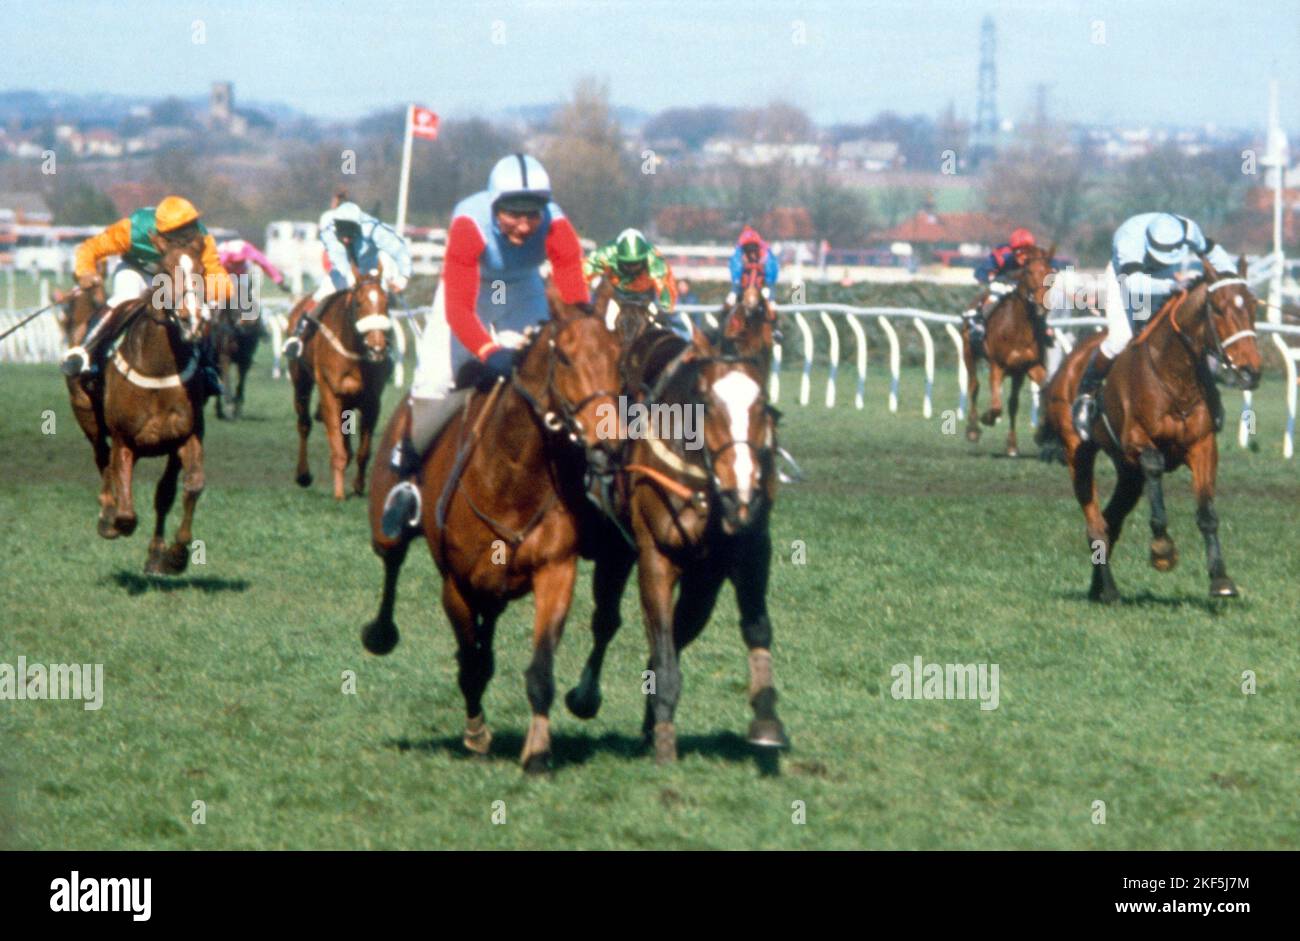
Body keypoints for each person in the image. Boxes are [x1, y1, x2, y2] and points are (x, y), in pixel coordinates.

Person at [379, 153, 593, 537]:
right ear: (494, 206)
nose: (525, 226)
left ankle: (577, 482)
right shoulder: (468, 224)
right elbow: (460, 309)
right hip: (471, 291)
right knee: (439, 382)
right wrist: (488, 352)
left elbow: (575, 296)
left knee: (549, 379)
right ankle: (408, 474)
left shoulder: (558, 226)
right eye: (513, 214)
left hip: (524, 288)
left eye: (533, 214)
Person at [1071, 212, 1237, 440]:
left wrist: (1232, 281)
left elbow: (1214, 253)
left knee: (1186, 335)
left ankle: (1210, 395)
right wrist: (1171, 285)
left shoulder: (1187, 228)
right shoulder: (1128, 239)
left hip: (1165, 274)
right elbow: (1133, 286)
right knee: (1121, 337)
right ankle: (1086, 394)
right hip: (1125, 277)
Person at [60, 196, 233, 395]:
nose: (189, 237)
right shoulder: (134, 227)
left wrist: (210, 295)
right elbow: (91, 248)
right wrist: (86, 272)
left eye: (191, 227)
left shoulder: (202, 238)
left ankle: (207, 367)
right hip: (135, 269)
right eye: (181, 232)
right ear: (163, 234)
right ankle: (85, 351)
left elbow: (216, 273)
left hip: (172, 277)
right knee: (124, 298)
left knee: (197, 312)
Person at [281, 201, 411, 359]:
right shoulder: (329, 231)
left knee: (379, 304)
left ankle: (386, 347)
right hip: (343, 273)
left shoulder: (373, 228)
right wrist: (350, 277)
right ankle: (297, 337)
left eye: (350, 233)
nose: (346, 240)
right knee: (319, 297)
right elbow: (338, 258)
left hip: (370, 274)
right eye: (342, 233)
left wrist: (403, 277)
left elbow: (399, 249)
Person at [584, 227, 689, 339]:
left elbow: (665, 288)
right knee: (593, 303)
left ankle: (683, 339)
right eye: (628, 264)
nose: (632, 268)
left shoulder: (654, 258)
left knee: (672, 315)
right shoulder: (605, 254)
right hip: (616, 293)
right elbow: (581, 275)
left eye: (636, 263)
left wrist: (666, 309)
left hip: (646, 295)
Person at [961, 227, 1035, 354]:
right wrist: (991, 277)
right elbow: (980, 274)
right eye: (1020, 251)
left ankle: (1043, 328)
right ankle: (979, 323)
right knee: (995, 294)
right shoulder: (1001, 255)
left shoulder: (1035, 259)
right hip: (1002, 286)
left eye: (1027, 251)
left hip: (1023, 290)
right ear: (1013, 250)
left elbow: (1052, 269)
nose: (1024, 255)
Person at [726, 225, 779, 315]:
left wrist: (768, 285)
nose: (752, 254)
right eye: (748, 250)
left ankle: (774, 323)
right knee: (732, 298)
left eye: (753, 249)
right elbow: (736, 270)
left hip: (762, 284)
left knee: (770, 303)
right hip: (744, 285)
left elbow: (771, 271)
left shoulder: (764, 255)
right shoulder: (741, 255)